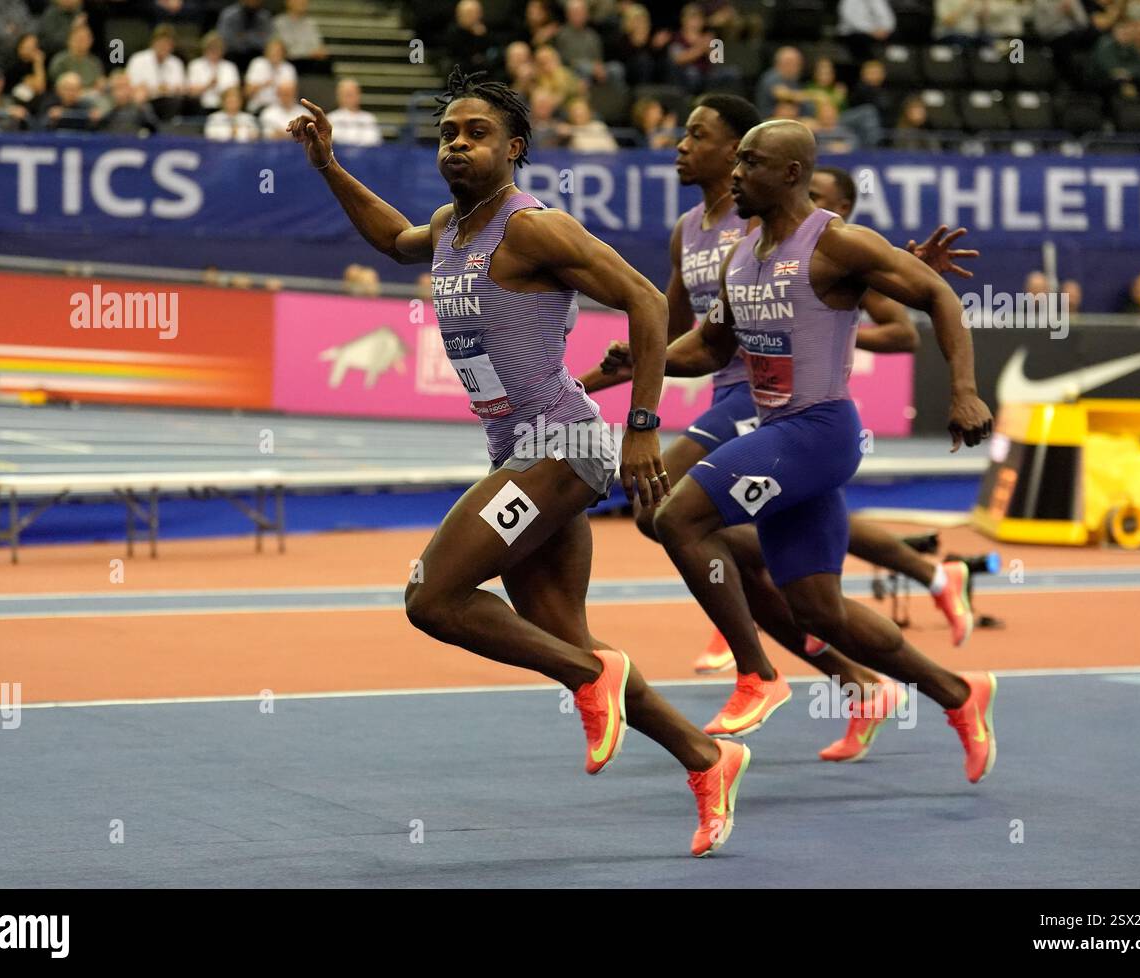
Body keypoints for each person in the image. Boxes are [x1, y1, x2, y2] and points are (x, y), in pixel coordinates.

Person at [287, 67, 751, 856]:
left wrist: (642, 427)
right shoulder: (447, 228)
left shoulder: (533, 228)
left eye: (476, 134)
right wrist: (329, 166)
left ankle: (587, 680)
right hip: (517, 451)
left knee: (431, 597)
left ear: (515, 148)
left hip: (565, 446)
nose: (458, 145)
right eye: (448, 134)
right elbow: (391, 239)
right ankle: (707, 756)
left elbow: (643, 299)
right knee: (565, 632)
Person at [600, 121, 998, 783]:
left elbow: (936, 295)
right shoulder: (743, 255)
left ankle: (756, 673)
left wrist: (964, 391)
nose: (735, 175)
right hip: (780, 433)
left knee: (673, 516)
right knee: (821, 612)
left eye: (749, 163)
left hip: (817, 432)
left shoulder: (836, 242)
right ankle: (958, 692)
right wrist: (651, 359)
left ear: (790, 174)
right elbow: (710, 349)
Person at [187, 31, 241, 113]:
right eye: (211, 48)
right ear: (205, 49)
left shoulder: (229, 67)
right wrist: (208, 85)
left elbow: (234, 90)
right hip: (201, 105)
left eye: (217, 48)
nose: (214, 51)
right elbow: (190, 91)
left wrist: (224, 95)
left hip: (225, 107)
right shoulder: (195, 65)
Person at [326, 78, 383, 147]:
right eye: (346, 94)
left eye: (352, 94)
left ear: (359, 95)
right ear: (338, 96)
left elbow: (374, 140)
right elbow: (331, 141)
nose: (349, 98)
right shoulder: (331, 118)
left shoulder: (369, 118)